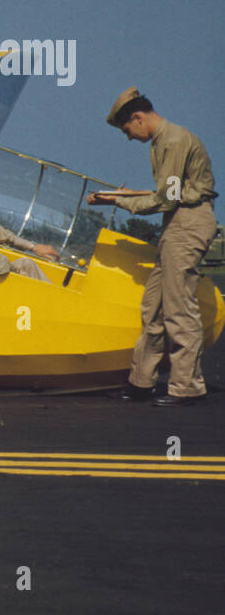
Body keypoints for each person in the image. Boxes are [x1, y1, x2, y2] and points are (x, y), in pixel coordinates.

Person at [88, 87, 218, 406]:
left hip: (187, 223)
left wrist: (119, 202)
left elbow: (169, 198)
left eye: (127, 130)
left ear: (138, 117)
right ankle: (141, 382)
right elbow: (171, 190)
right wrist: (127, 196)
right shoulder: (164, 140)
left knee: (177, 307)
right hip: (176, 224)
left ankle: (187, 387)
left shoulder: (172, 142)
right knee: (154, 307)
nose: (129, 137)